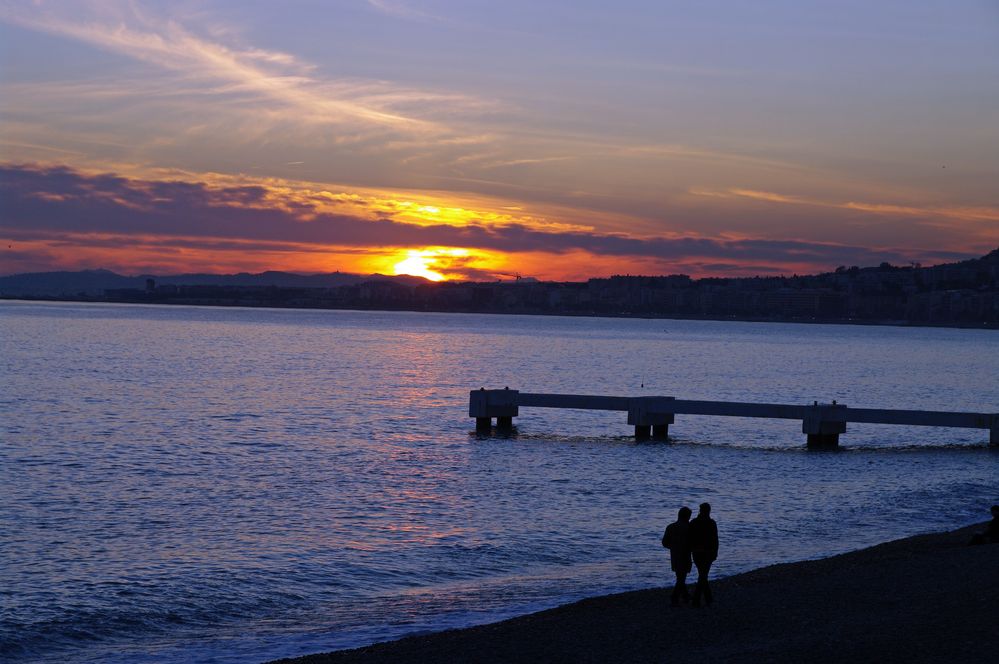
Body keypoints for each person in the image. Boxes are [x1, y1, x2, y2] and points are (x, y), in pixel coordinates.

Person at [688, 502, 718, 607]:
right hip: (708, 553)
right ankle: (697, 600)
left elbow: (689, 538)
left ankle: (708, 599)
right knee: (703, 575)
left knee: (703, 575)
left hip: (696, 552)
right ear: (708, 511)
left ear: (700, 510)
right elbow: (715, 540)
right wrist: (715, 553)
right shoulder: (711, 523)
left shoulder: (694, 522)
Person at [661, 506, 692, 605]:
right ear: (687, 517)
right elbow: (692, 543)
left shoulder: (670, 527)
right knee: (681, 577)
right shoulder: (688, 528)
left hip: (675, 555)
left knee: (680, 576)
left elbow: (664, 543)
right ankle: (675, 597)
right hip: (685, 555)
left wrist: (674, 547)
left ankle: (685, 595)